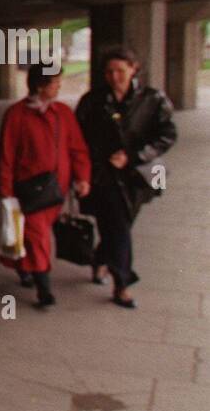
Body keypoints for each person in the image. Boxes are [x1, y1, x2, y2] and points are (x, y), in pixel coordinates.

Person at [74, 47, 177, 308]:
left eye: (120, 70)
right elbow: (79, 139)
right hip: (104, 175)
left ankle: (100, 260)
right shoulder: (92, 101)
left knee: (120, 226)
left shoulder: (153, 99)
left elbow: (167, 135)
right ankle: (122, 284)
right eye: (109, 71)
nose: (114, 76)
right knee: (118, 226)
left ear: (134, 68)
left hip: (137, 175)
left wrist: (133, 155)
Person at [0, 62, 91, 306]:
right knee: (37, 236)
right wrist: (4, 191)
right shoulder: (16, 115)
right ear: (40, 86)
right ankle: (44, 288)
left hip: (57, 190)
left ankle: (24, 267)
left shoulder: (63, 113)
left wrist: (82, 177)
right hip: (28, 191)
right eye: (55, 81)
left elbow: (77, 148)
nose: (59, 85)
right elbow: (6, 155)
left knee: (31, 235)